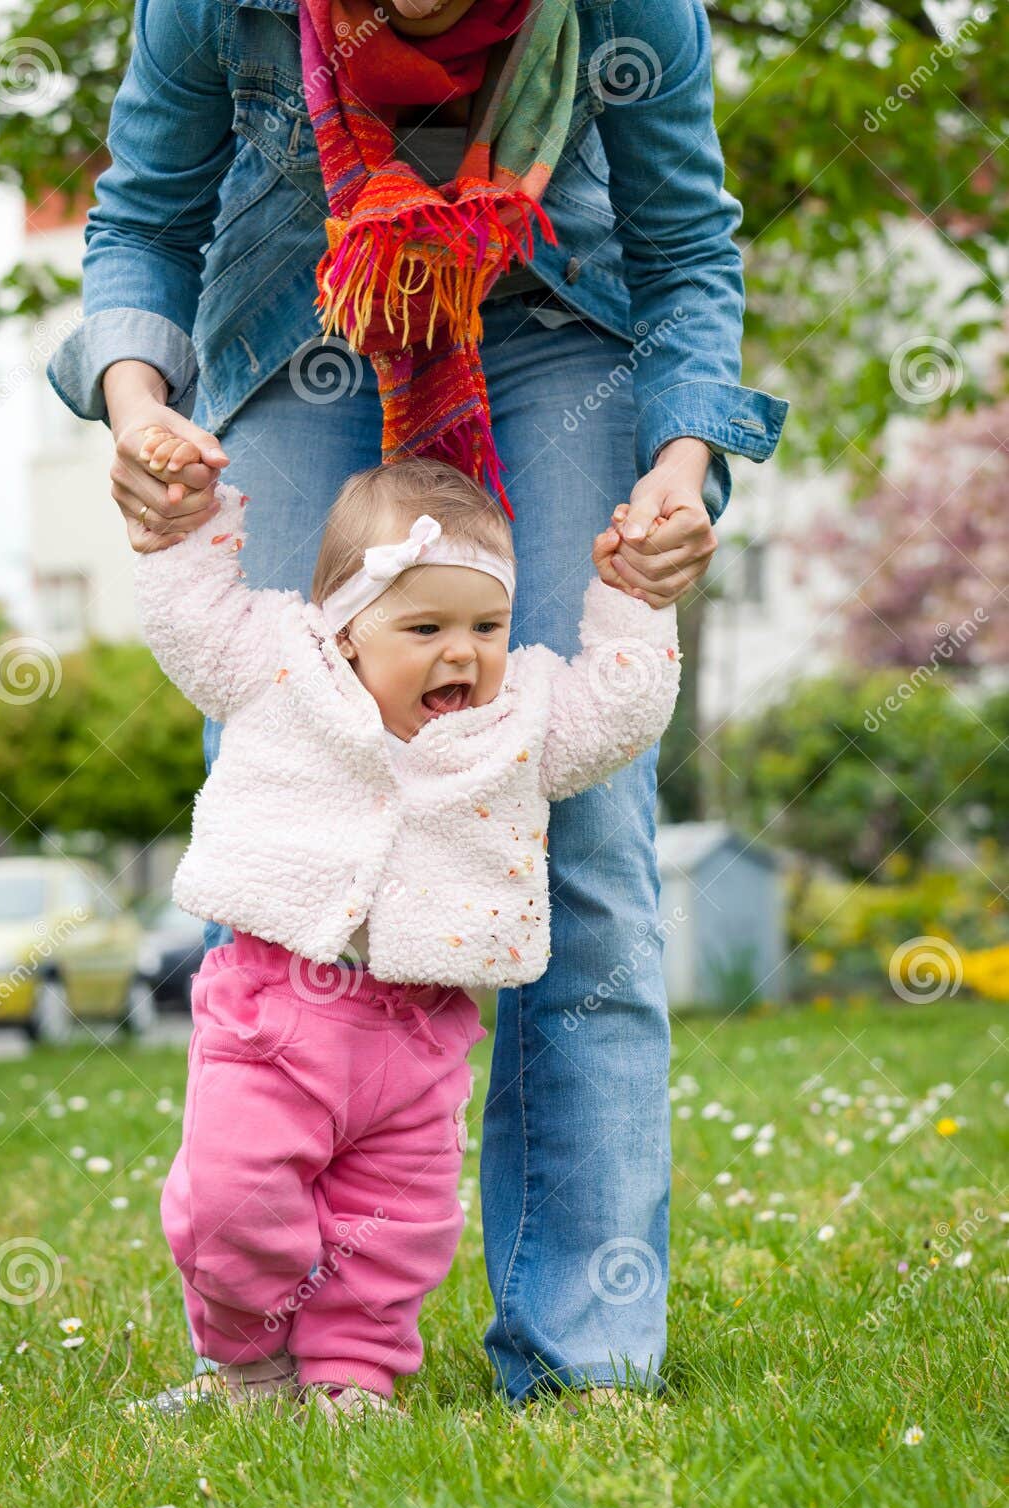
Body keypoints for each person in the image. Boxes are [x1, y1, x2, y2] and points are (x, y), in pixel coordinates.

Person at [47, 0, 787, 1403]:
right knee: (290, 786)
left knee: (578, 829)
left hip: (565, 327)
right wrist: (140, 404)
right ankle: (265, 1341)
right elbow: (140, 216)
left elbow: (689, 250)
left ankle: (585, 1355)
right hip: (303, 313)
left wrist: (681, 469)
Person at [132, 453, 681, 1417]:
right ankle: (246, 1363)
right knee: (229, 1205)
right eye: (424, 628)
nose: (462, 653)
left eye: (487, 626)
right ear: (345, 631)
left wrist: (634, 598)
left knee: (389, 1229)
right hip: (269, 1015)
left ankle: (353, 1377)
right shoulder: (279, 667)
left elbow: (623, 714)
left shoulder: (520, 720)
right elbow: (187, 622)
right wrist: (188, 523)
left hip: (415, 1041)